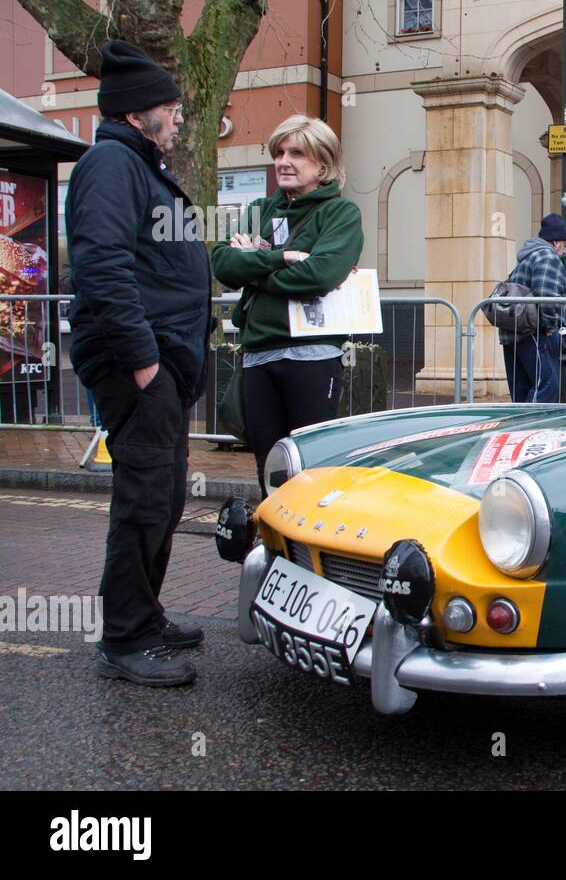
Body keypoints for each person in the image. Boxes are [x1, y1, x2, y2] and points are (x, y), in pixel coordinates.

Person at [66, 40, 211, 686]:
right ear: (135, 113)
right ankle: (125, 639)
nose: (178, 117)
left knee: (164, 494)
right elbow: (102, 266)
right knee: (144, 497)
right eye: (169, 107)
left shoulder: (136, 164)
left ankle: (144, 616)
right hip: (138, 363)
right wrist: (144, 361)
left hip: (160, 361)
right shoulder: (109, 165)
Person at [210, 115, 363, 495]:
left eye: (297, 153)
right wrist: (283, 258)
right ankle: (272, 547)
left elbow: (320, 276)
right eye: (279, 152)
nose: (284, 161)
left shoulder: (341, 214)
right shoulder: (259, 210)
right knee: (270, 467)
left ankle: (309, 550)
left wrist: (257, 270)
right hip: (259, 354)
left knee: (312, 467)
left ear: (323, 166)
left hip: (311, 356)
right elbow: (223, 264)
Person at [500, 214, 566, 403]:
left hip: (515, 333)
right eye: (564, 245)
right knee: (547, 385)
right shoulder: (547, 256)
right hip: (536, 334)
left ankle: (519, 429)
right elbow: (546, 297)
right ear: (556, 241)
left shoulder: (527, 257)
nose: (563, 251)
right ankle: (532, 427)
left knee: (521, 390)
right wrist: (550, 329)